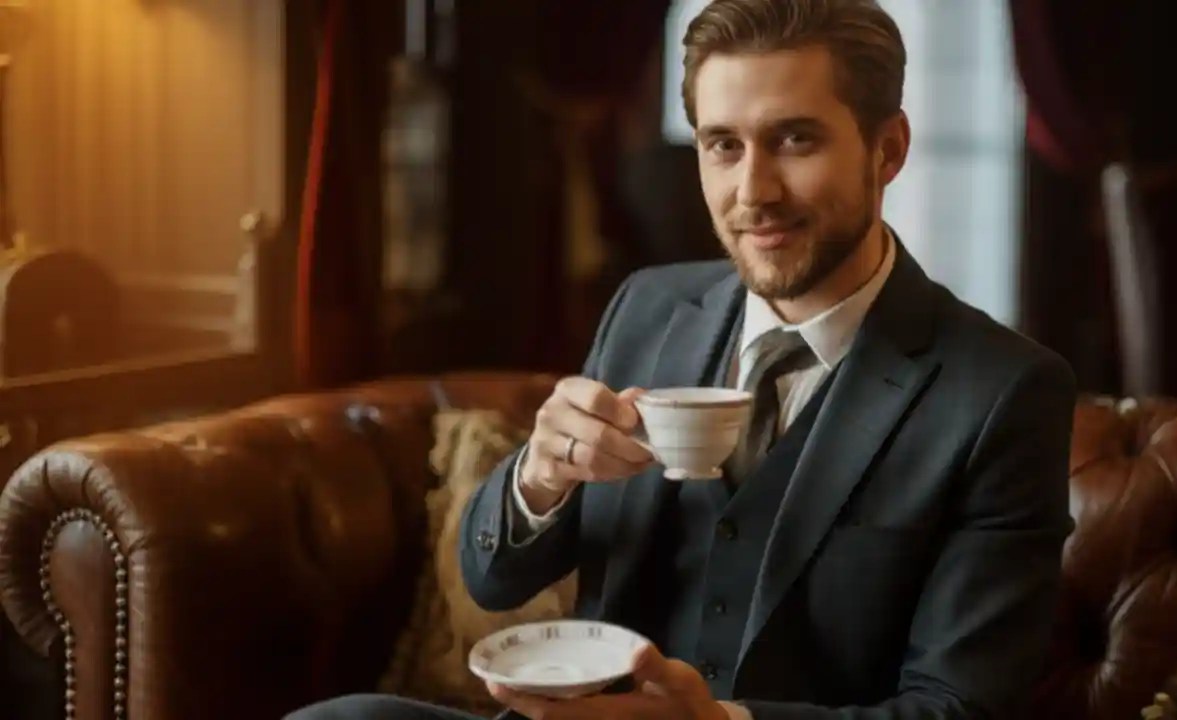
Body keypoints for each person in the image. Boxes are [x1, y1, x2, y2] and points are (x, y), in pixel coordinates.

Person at [287, 0, 1077, 718]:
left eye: (794, 139)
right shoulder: (649, 307)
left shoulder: (1001, 391)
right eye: (722, 145)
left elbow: (958, 712)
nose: (753, 190)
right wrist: (540, 477)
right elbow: (494, 578)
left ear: (889, 148)